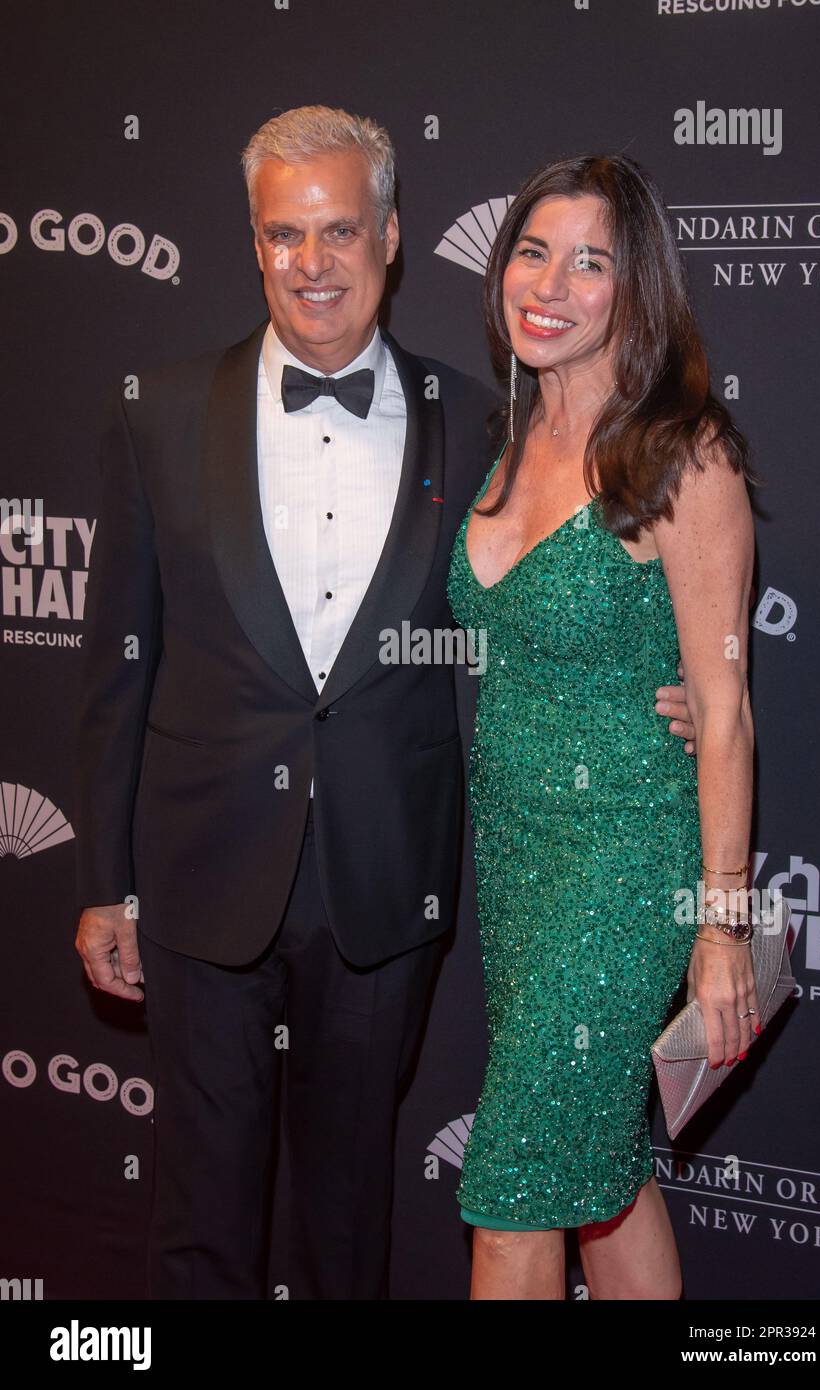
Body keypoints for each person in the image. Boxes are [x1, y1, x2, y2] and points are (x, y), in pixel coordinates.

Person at [72, 109, 697, 1301]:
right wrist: (105, 878)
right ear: (253, 247)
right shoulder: (156, 409)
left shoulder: (485, 424)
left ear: (394, 237)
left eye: (341, 229)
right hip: (199, 876)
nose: (313, 262)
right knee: (199, 1213)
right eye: (283, 234)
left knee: (348, 1216)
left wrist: (668, 689)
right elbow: (116, 660)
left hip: (382, 879)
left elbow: (579, 582)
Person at [447, 153, 759, 1300]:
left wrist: (717, 924)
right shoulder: (507, 435)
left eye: (591, 263)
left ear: (637, 293)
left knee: (512, 1188)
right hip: (521, 860)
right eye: (532, 251)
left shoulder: (683, 451)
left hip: (627, 863)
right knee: (600, 1175)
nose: (550, 283)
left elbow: (722, 708)